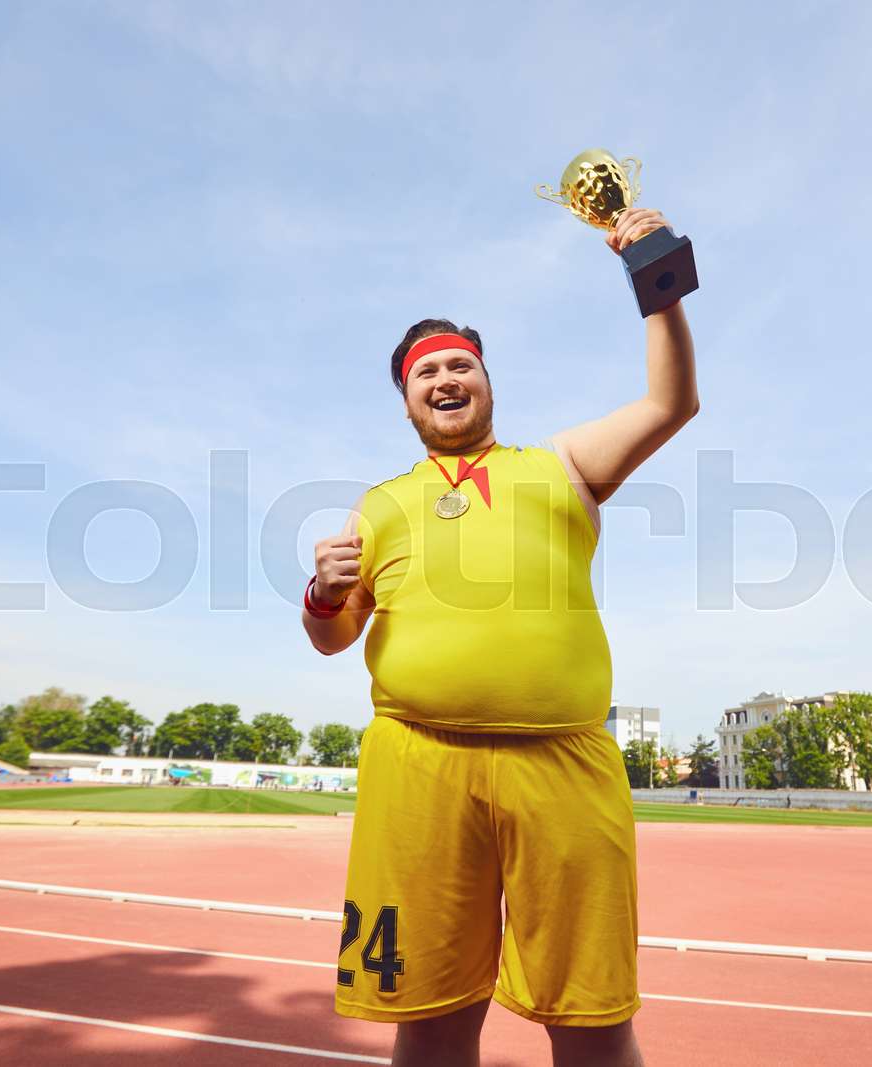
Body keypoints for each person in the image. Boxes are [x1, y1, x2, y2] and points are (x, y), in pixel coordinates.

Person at [304, 206, 695, 1066]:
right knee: (431, 1016)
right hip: (417, 769)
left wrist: (655, 272)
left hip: (562, 763)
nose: (446, 379)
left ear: (486, 382)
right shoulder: (380, 503)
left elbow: (672, 403)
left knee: (591, 1016)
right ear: (407, 401)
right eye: (426, 373)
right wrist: (322, 593)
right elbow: (331, 639)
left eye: (461, 365)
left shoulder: (558, 465)